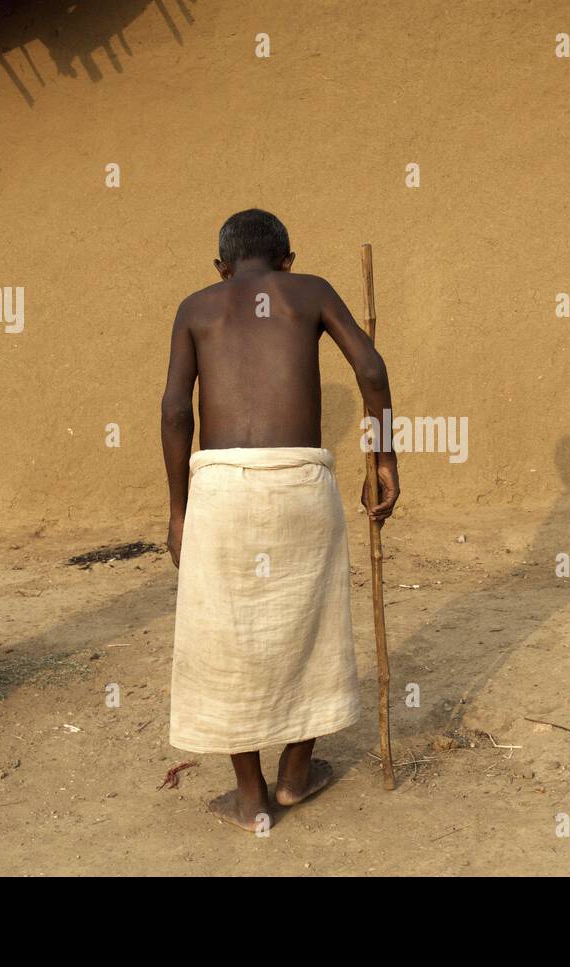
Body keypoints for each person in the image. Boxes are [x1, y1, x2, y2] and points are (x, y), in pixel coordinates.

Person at [160, 208, 399, 831]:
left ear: (221, 267)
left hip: (218, 487)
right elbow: (371, 370)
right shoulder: (310, 290)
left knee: (225, 637)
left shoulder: (196, 306)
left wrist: (177, 508)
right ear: (288, 258)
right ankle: (296, 773)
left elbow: (173, 411)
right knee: (312, 621)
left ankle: (250, 794)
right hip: (299, 481)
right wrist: (383, 458)